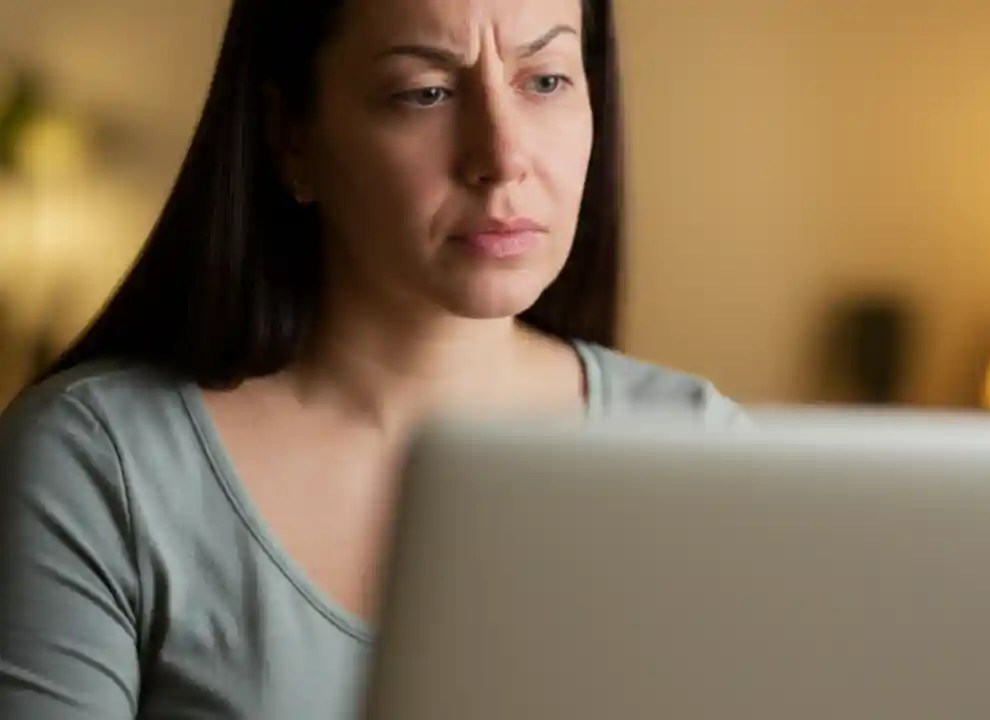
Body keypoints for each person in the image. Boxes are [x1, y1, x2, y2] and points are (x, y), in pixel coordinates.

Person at [0, 0, 742, 716]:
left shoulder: (708, 456)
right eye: (425, 93)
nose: (503, 157)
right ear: (291, 136)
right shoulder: (98, 467)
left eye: (546, 81)